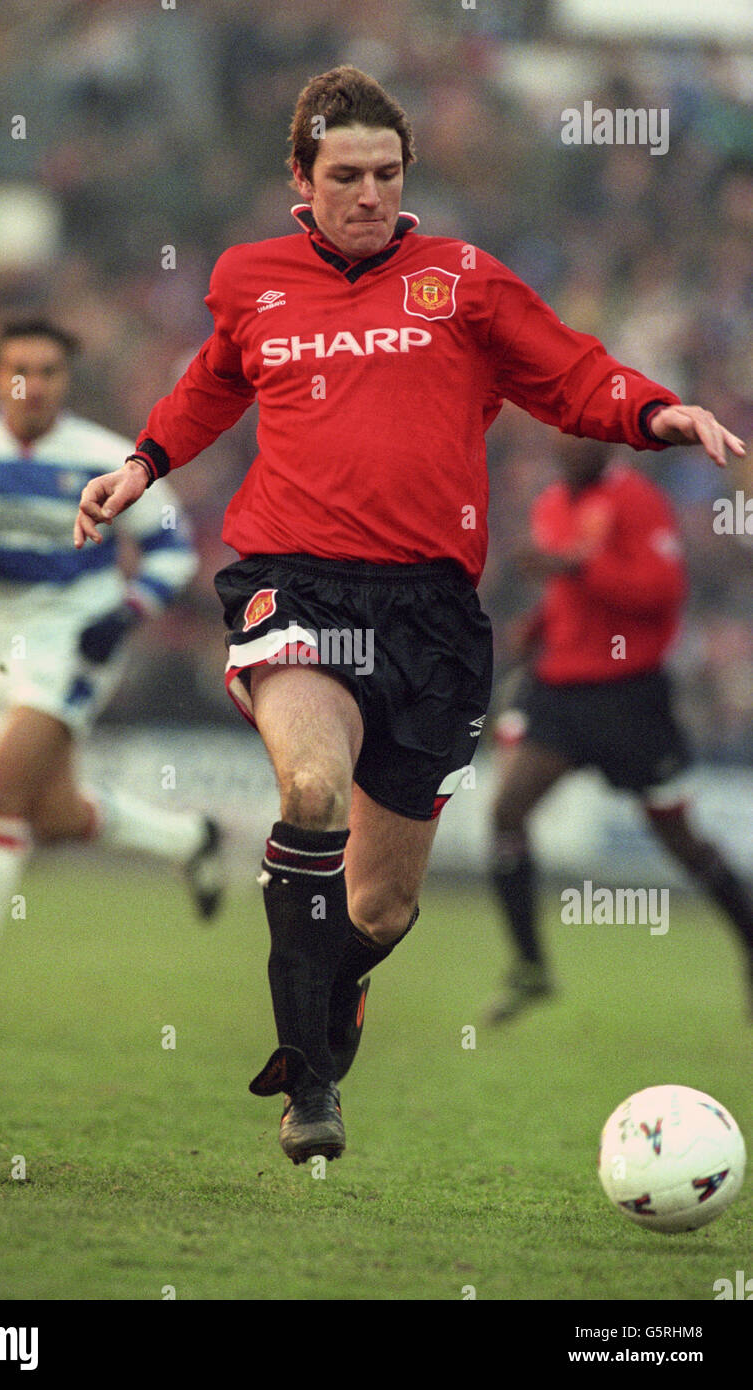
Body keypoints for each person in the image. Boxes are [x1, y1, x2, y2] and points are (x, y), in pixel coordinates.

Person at [73, 66, 745, 1165]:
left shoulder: (463, 282)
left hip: (431, 617)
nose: (369, 194)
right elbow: (212, 380)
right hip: (297, 582)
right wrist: (140, 463)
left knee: (377, 909)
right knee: (309, 787)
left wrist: (655, 408)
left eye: (386, 174)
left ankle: (315, 1018)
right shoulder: (252, 280)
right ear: (301, 177)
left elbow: (568, 373)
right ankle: (312, 1091)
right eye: (345, 175)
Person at [0, 318, 223, 1023]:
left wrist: (128, 612)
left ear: (65, 381)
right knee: (49, 814)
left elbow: (174, 547)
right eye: (20, 369)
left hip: (73, 642)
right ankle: (189, 838)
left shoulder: (105, 456)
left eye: (49, 370)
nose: (35, 384)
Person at [485, 436, 753, 1023]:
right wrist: (540, 622)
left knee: (681, 841)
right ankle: (530, 966)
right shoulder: (552, 501)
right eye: (559, 431)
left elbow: (662, 593)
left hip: (629, 697)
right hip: (561, 688)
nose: (566, 442)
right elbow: (567, 595)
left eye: (580, 433)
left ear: (605, 445)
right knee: (507, 812)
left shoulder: (639, 501)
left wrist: (578, 567)